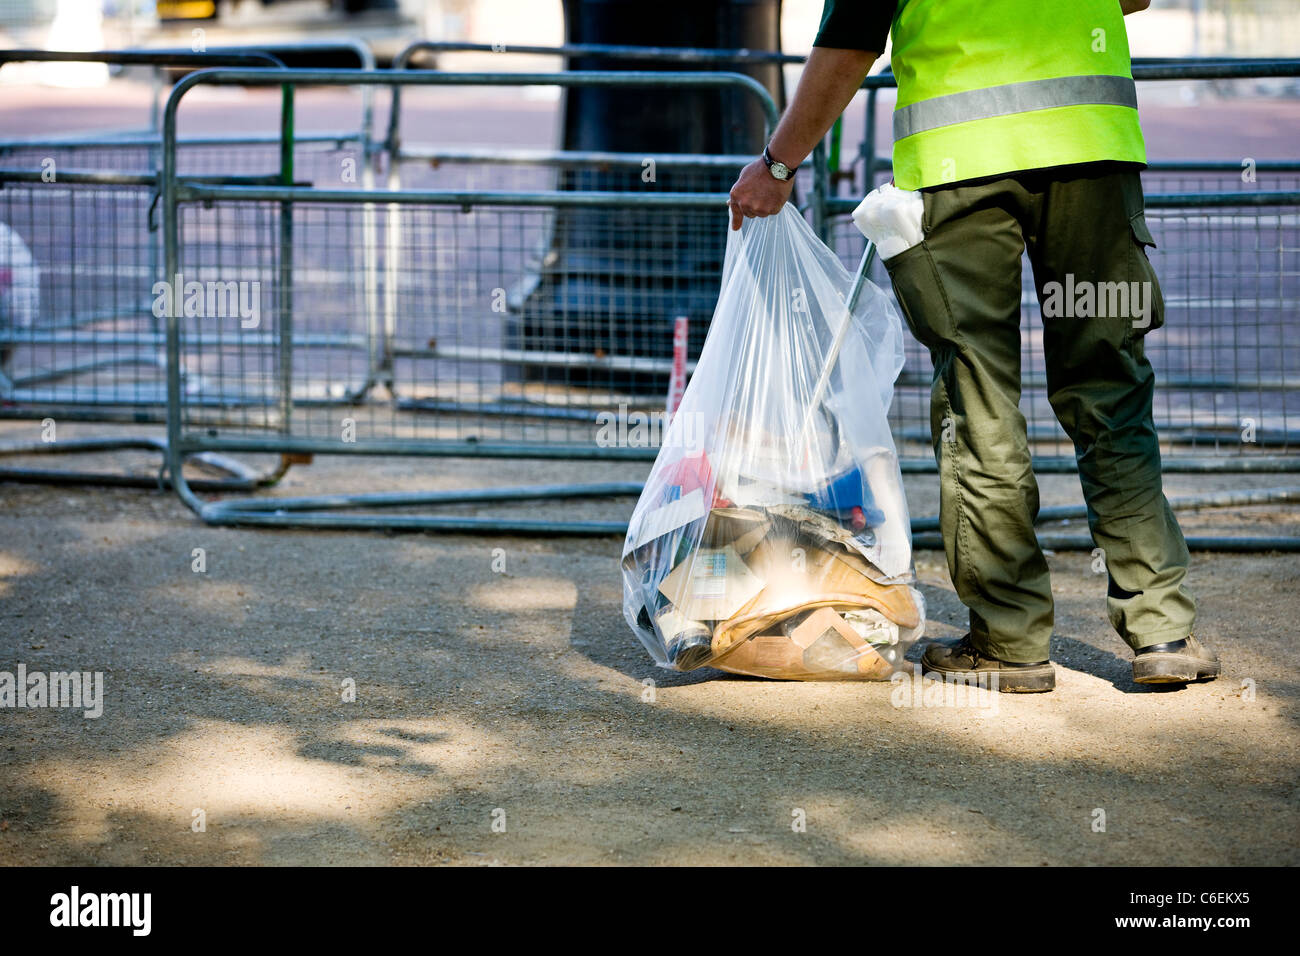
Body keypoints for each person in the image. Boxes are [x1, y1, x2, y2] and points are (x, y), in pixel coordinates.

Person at [728, 0, 1220, 692]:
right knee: (1109, 388)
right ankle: (1161, 629)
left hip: (959, 166)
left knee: (978, 396)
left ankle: (1011, 642)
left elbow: (852, 34)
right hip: (1089, 148)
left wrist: (778, 167)